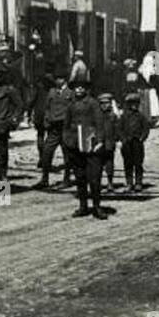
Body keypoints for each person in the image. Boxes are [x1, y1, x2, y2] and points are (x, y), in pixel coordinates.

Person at [62, 77, 108, 220]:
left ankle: (97, 207)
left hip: (91, 145)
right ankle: (83, 206)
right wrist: (68, 141)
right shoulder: (71, 105)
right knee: (80, 177)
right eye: (77, 87)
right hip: (76, 145)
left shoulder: (93, 103)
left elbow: (100, 123)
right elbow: (66, 126)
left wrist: (100, 141)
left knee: (94, 178)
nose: (79, 89)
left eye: (82, 87)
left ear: (86, 89)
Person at [38, 74, 74, 188]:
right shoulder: (52, 92)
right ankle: (44, 179)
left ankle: (67, 179)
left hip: (65, 128)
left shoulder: (70, 93)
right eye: (56, 78)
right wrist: (46, 121)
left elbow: (73, 109)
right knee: (46, 152)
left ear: (65, 80)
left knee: (67, 155)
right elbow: (47, 108)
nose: (58, 80)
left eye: (60, 78)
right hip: (53, 129)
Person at [120, 91, 150, 191]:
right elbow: (119, 129)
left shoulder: (141, 117)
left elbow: (146, 128)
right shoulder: (124, 117)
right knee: (128, 163)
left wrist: (142, 138)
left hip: (137, 142)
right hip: (127, 143)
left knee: (138, 163)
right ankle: (129, 182)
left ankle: (138, 182)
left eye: (136, 104)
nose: (134, 106)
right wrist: (123, 139)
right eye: (132, 104)